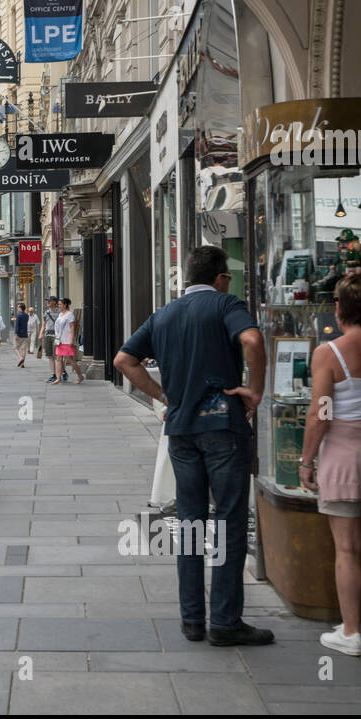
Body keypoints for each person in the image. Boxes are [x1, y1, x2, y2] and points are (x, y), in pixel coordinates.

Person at [113, 244, 271, 647]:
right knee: (228, 522)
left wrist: (163, 396)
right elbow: (252, 340)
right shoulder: (225, 304)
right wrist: (255, 390)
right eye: (227, 278)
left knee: (189, 523)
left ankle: (192, 619)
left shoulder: (163, 314)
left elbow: (123, 361)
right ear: (219, 278)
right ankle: (225, 621)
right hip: (223, 428)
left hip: (181, 430)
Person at [299, 276, 361, 656]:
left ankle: (351, 632)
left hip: (344, 460)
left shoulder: (329, 352)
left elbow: (320, 414)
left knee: (348, 550)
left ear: (339, 309)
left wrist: (307, 461)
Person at [54, 299, 84, 383]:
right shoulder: (60, 314)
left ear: (65, 305)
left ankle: (80, 376)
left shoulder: (69, 315)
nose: (58, 306)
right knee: (58, 358)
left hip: (67, 340)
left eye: (60, 304)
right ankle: (58, 378)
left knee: (71, 360)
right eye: (58, 304)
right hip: (59, 340)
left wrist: (71, 340)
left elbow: (72, 327)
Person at [43, 296, 62, 383]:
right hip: (47, 335)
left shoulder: (60, 312)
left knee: (57, 356)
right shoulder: (46, 312)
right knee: (50, 356)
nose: (48, 302)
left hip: (56, 335)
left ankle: (61, 372)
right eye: (48, 301)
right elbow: (44, 324)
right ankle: (53, 375)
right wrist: (41, 333)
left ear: (54, 302)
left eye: (49, 301)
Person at [13, 302, 30, 367]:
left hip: (19, 334)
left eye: (18, 307)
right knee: (23, 349)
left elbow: (17, 325)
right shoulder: (27, 315)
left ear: (20, 308)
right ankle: (23, 364)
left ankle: (20, 358)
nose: (17, 308)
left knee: (15, 348)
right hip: (25, 334)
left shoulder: (18, 315)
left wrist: (16, 334)